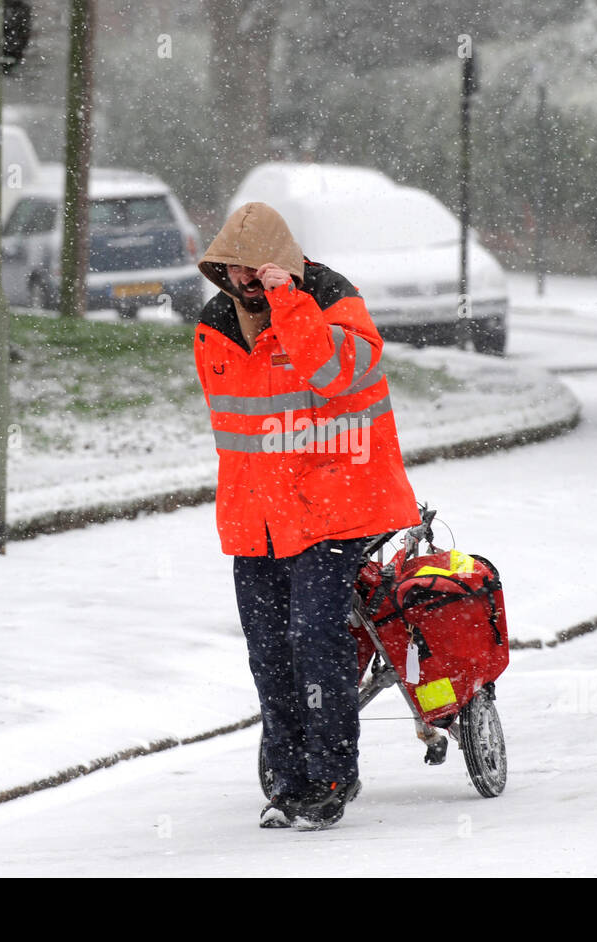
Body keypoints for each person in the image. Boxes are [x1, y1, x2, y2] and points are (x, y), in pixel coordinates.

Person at [194, 202, 420, 830]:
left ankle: (328, 778)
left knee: (314, 637)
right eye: (230, 272)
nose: (242, 285)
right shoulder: (215, 325)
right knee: (267, 648)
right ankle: (285, 777)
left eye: (252, 272)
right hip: (260, 518)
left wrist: (289, 301)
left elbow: (332, 374)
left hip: (341, 505)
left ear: (279, 265)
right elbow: (237, 433)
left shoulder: (332, 302)